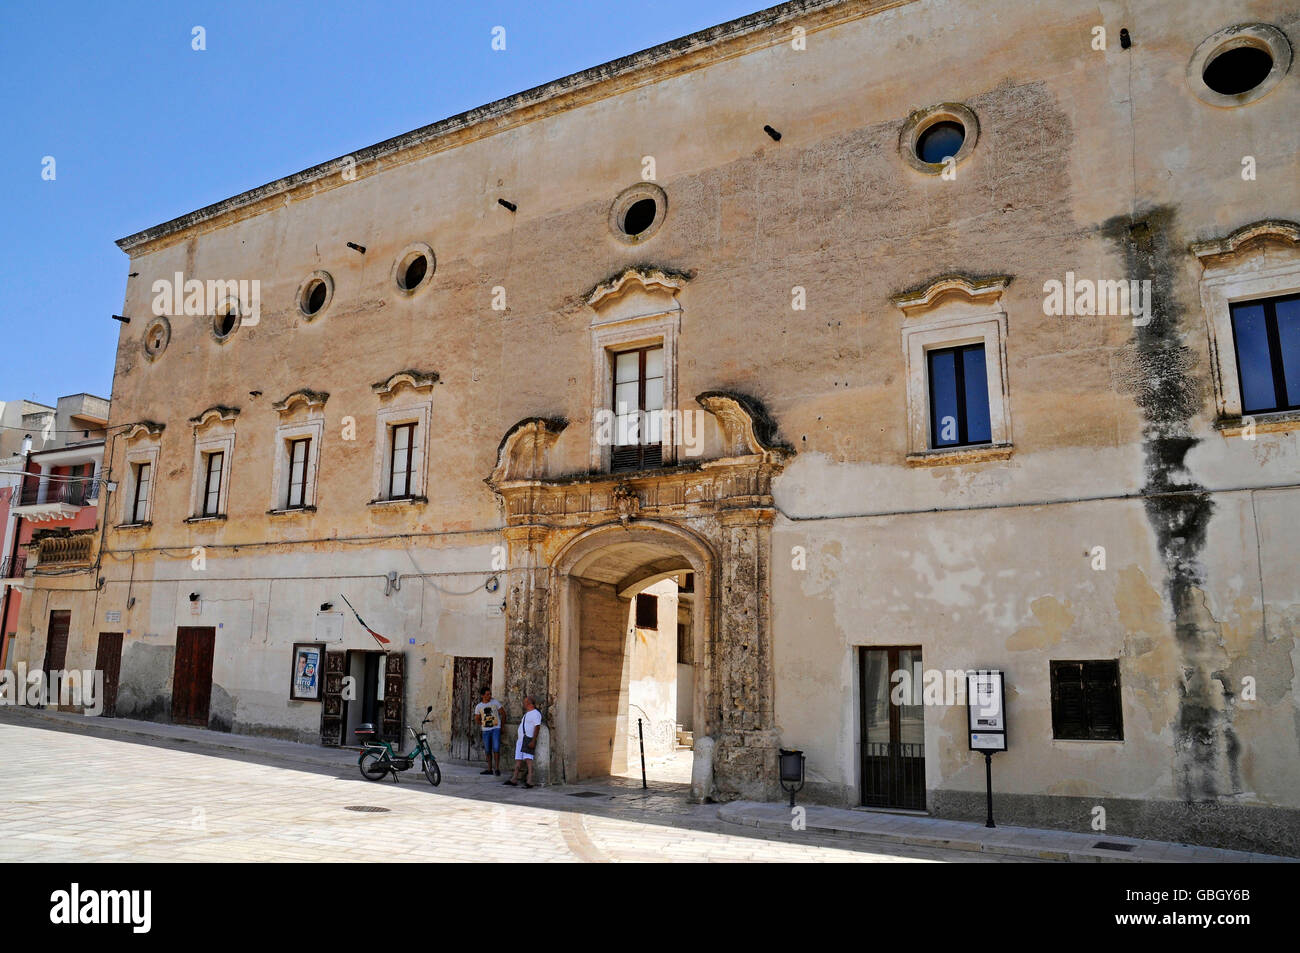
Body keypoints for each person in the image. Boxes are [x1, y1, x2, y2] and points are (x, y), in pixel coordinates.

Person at [503, 695, 542, 788]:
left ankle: (529, 780)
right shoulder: (526, 714)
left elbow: (537, 727)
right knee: (518, 759)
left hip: (528, 739)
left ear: (529, 703)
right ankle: (514, 778)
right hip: (521, 740)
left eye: (525, 702)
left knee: (529, 760)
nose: (524, 704)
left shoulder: (536, 713)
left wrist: (533, 740)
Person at [474, 686, 504, 776]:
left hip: (495, 729)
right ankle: (489, 768)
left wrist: (501, 726)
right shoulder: (479, 706)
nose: (489, 696)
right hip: (486, 730)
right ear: (482, 695)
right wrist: (483, 724)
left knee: (496, 748)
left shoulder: (495, 702)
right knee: (487, 750)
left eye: (490, 694)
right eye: (487, 694)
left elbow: (503, 713)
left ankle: (497, 768)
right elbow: (477, 718)